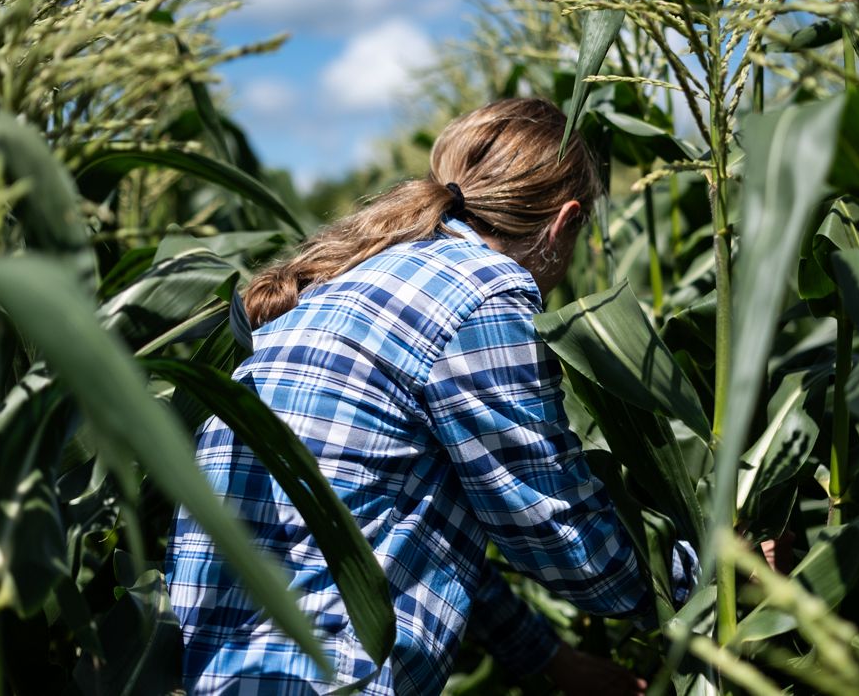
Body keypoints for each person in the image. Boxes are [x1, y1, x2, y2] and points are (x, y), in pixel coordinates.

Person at [165, 99, 698, 695]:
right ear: (565, 221)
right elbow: (553, 530)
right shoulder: (484, 293)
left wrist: (550, 659)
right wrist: (709, 586)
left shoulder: (356, 277)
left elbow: (415, 526)